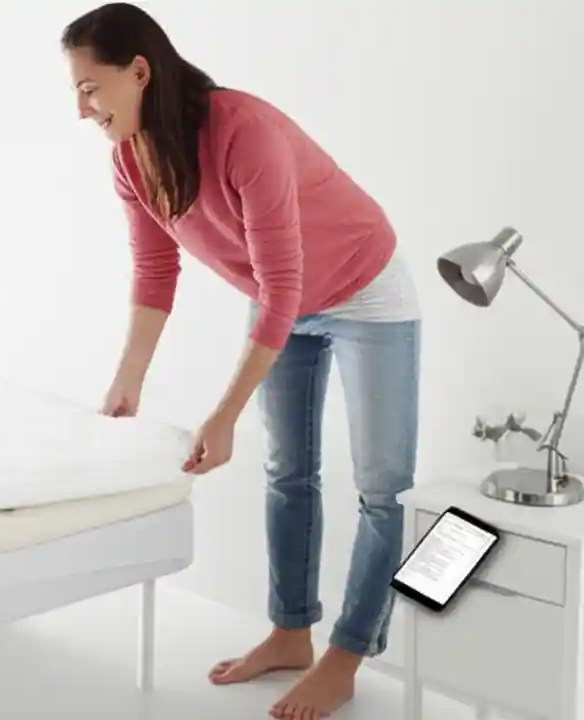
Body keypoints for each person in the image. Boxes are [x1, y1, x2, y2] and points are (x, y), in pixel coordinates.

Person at [62, 3, 421, 719]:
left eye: (90, 89)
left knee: (384, 489)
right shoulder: (130, 159)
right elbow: (155, 271)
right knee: (287, 471)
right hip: (280, 298)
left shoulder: (243, 130)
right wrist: (127, 381)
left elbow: (284, 285)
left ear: (140, 72)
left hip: (363, 290)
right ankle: (290, 633)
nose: (82, 110)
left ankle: (346, 656)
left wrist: (223, 413)